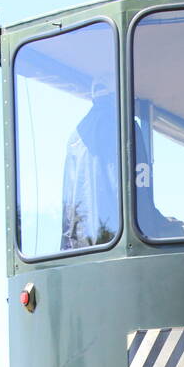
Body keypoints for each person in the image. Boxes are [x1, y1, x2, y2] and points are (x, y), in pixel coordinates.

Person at [60, 81, 121, 251]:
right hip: (117, 241)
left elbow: (68, 207)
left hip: (80, 246)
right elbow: (138, 191)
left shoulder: (75, 137)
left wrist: (67, 246)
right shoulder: (124, 127)